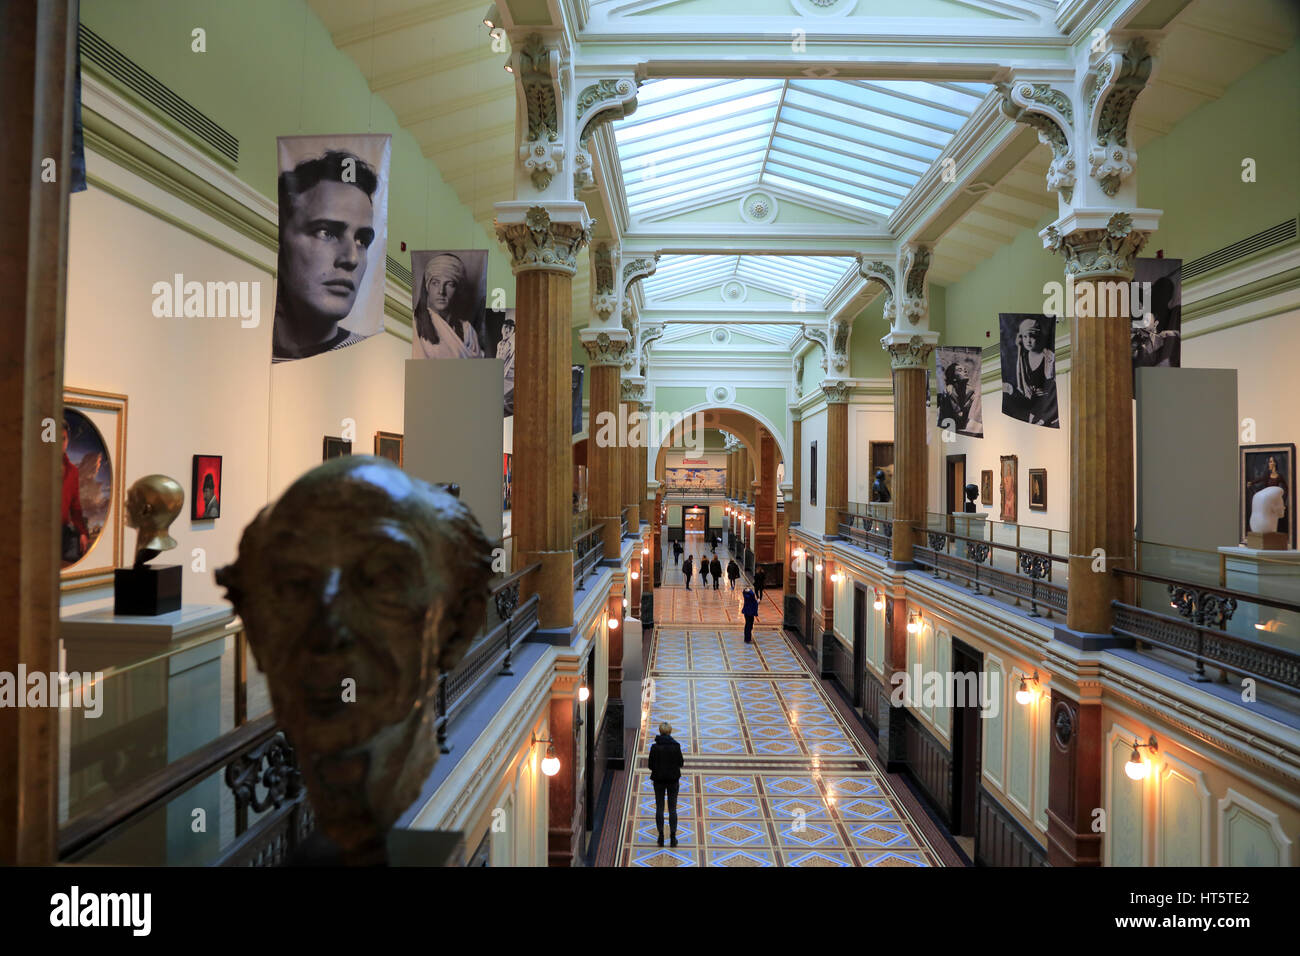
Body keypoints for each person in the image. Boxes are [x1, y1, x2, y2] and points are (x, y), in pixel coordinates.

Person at [273, 150, 378, 362]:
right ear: (281, 240)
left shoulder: (367, 360)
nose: (351, 258)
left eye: (362, 241)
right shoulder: (240, 349)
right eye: (326, 232)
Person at [413, 253, 484, 359]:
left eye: (449, 284)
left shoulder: (467, 330)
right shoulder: (415, 323)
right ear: (428, 287)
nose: (441, 291)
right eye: (435, 283)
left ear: (458, 289)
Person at [1003, 317, 1058, 427]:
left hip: (1045, 404)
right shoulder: (1022, 358)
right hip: (1029, 401)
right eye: (1025, 336)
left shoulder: (1048, 357)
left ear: (1038, 336)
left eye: (1032, 336)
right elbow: (1022, 387)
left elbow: (1053, 384)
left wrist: (1045, 392)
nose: (1028, 340)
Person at [647, 721, 684, 847]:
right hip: (673, 781)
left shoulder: (654, 747)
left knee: (660, 808)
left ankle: (661, 836)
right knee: (672, 809)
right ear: (670, 732)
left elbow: (650, 765)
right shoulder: (676, 746)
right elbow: (681, 763)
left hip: (658, 781)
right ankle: (673, 838)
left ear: (660, 732)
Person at [61, 427, 89, 565]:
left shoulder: (73, 471)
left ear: (67, 441)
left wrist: (82, 532)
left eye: (63, 439)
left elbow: (75, 506)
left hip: (63, 533)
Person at [496, 316, 515, 415]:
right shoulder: (499, 344)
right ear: (501, 328)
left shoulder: (510, 344)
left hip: (507, 380)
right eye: (505, 327)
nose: (507, 330)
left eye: (510, 328)